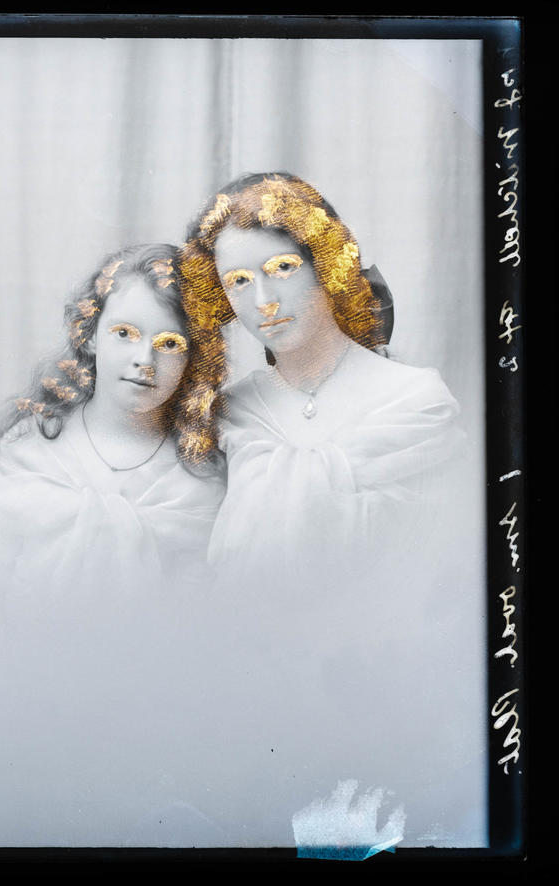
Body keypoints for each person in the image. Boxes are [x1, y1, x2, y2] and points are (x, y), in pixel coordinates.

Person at [175, 172, 484, 846]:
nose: (264, 300)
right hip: (252, 713)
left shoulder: (416, 402)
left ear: (328, 264)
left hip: (390, 711)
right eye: (239, 283)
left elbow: (439, 581)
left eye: (282, 268)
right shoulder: (234, 414)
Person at [0, 244, 227, 846]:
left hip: (151, 726)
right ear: (91, 335)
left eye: (170, 344)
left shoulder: (201, 476)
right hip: (25, 713)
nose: (143, 359)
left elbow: (196, 633)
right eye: (126, 333)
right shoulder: (33, 447)